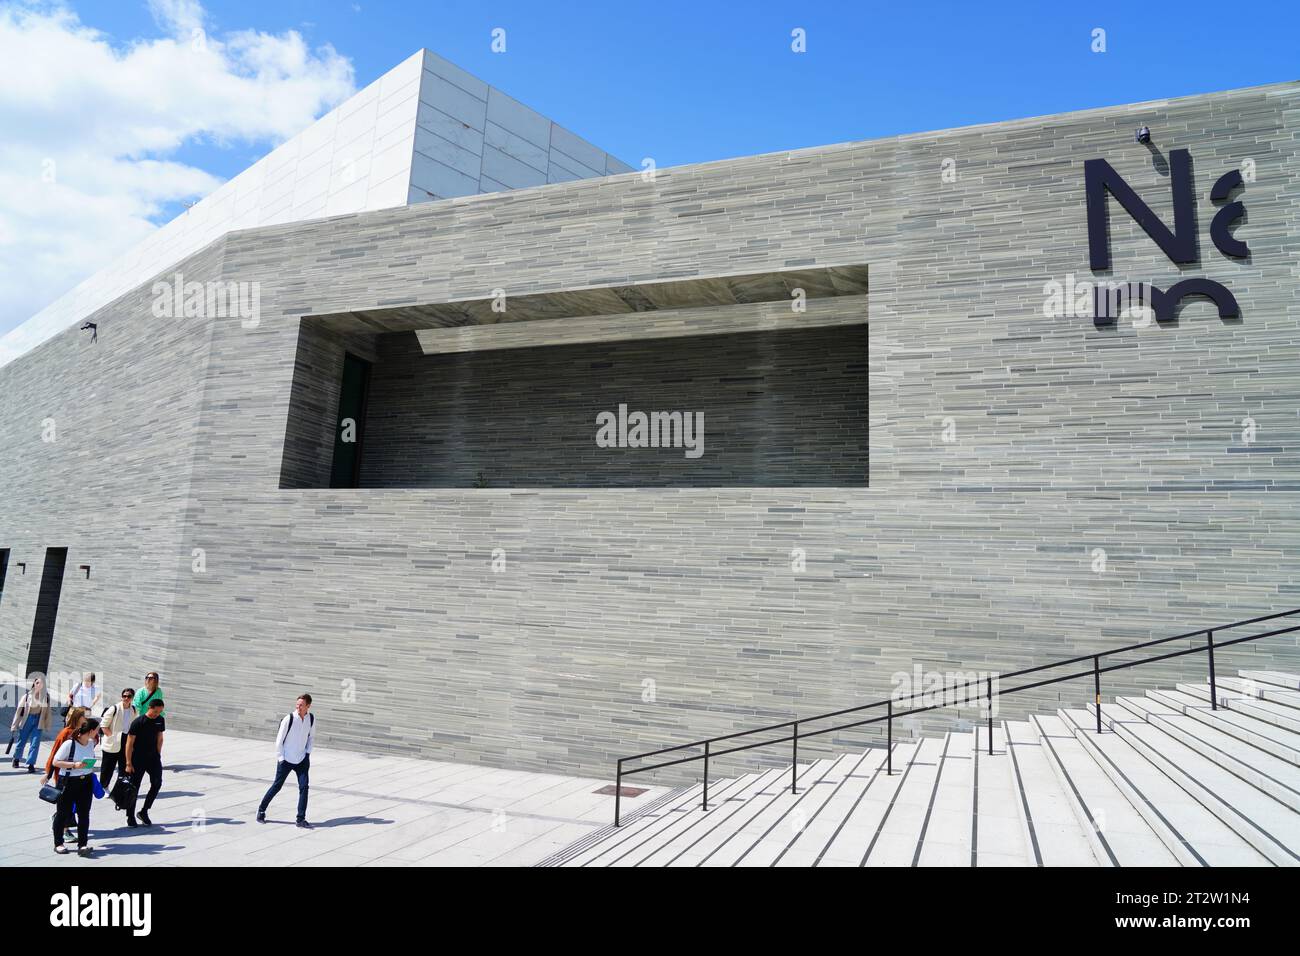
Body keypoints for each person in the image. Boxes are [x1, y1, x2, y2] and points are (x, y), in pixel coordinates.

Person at [256, 694, 315, 829]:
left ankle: (300, 819)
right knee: (277, 786)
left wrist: (307, 753)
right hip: (286, 759)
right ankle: (261, 810)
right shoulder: (289, 719)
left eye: (301, 705)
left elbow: (311, 737)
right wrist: (281, 759)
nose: (298, 707)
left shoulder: (311, 719)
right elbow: (279, 741)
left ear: (308, 706)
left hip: (302, 760)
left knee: (304, 787)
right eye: (297, 704)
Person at [50, 716, 100, 856]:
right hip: (68, 782)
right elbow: (56, 762)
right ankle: (58, 843)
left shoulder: (90, 743)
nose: (98, 733)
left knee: (84, 814)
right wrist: (74, 765)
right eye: (96, 730)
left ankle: (82, 845)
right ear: (90, 731)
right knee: (63, 813)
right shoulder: (69, 744)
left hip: (86, 782)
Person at [125, 697, 165, 827]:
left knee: (157, 783)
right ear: (150, 708)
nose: (157, 714)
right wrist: (128, 763)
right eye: (155, 711)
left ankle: (144, 811)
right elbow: (129, 743)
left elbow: (160, 737)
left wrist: (158, 753)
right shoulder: (138, 722)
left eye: (159, 712)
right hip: (138, 758)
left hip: (153, 757)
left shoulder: (160, 720)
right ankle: (130, 816)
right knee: (134, 787)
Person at [10, 676, 53, 772]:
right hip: (27, 720)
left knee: (35, 743)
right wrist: (14, 725)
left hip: (38, 721)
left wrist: (48, 725)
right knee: (22, 741)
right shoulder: (27, 696)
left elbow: (48, 712)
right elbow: (18, 711)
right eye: (37, 682)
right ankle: (16, 758)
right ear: (34, 684)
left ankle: (31, 764)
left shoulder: (45, 697)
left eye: (41, 683)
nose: (39, 685)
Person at [97, 688, 135, 790]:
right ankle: (104, 788)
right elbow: (104, 725)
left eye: (129, 696)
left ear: (132, 698)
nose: (126, 698)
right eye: (124, 696)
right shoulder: (114, 709)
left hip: (126, 741)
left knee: (124, 768)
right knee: (107, 768)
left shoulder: (134, 710)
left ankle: (119, 789)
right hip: (112, 742)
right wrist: (112, 737)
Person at [42, 707, 88, 785]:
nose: (86, 718)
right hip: (64, 774)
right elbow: (54, 753)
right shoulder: (65, 732)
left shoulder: (83, 731)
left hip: (79, 773)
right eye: (84, 716)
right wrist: (48, 773)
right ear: (78, 717)